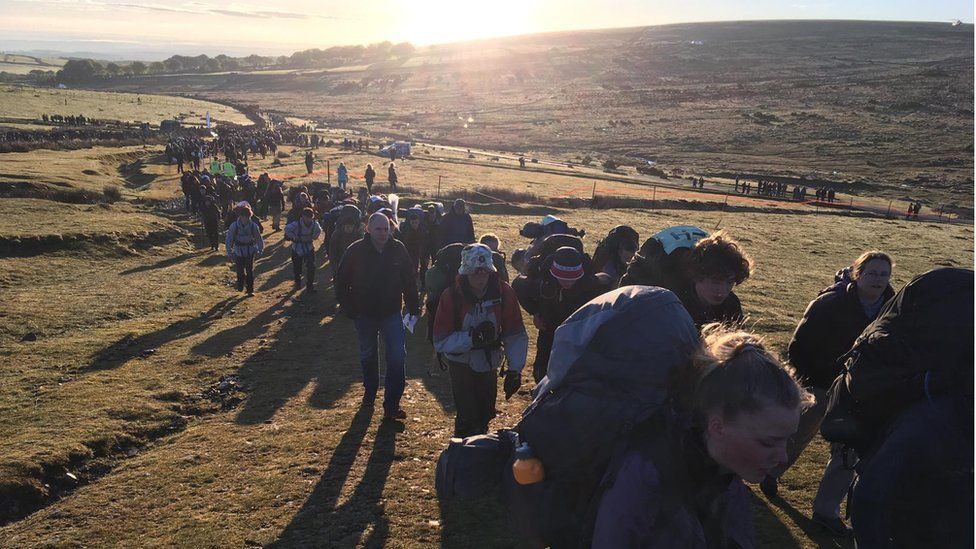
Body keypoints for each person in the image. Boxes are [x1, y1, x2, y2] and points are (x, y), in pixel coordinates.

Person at [592, 325, 813, 548]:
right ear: (717, 426)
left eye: (788, 439)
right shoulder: (646, 477)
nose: (784, 457)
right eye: (768, 442)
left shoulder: (725, 475)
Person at [762, 252, 895, 535]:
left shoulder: (893, 309)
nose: (878, 280)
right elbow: (799, 345)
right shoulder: (830, 303)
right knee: (807, 421)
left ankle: (826, 510)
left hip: (861, 388)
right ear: (857, 274)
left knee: (851, 443)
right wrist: (816, 379)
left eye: (884, 274)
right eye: (871, 273)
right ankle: (771, 470)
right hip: (822, 382)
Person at [433, 244, 528, 437]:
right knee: (467, 414)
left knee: (485, 412)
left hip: (489, 361)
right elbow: (440, 340)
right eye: (474, 273)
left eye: (484, 273)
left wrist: (515, 371)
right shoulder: (451, 296)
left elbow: (514, 333)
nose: (480, 278)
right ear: (465, 272)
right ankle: (462, 448)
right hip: (460, 362)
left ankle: (481, 447)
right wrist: (471, 338)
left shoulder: (503, 293)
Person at [334, 213, 420, 421]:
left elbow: (408, 279)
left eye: (386, 229)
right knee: (368, 355)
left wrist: (413, 306)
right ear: (368, 229)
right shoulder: (355, 251)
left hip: (392, 313)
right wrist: (349, 309)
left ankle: (391, 405)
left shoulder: (398, 249)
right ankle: (370, 392)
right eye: (378, 229)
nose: (383, 233)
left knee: (398, 357)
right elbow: (341, 281)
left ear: (391, 228)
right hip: (364, 314)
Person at [515, 246, 610, 383]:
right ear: (553, 273)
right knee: (543, 369)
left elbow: (606, 281)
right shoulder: (542, 284)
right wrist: (535, 312)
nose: (567, 282)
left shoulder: (591, 285)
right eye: (562, 278)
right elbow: (518, 285)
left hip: (578, 335)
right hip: (549, 331)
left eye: (572, 279)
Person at [673, 231, 751, 328]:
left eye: (729, 282)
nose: (722, 291)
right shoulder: (677, 305)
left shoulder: (731, 303)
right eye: (715, 282)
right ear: (697, 275)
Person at [225, 202, 264, 296]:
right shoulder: (234, 226)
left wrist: (260, 248)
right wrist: (229, 252)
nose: (245, 218)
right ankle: (240, 285)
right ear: (240, 216)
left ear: (249, 216)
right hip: (238, 251)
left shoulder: (254, 226)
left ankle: (250, 290)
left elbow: (258, 238)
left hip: (250, 250)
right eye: (243, 216)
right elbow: (229, 239)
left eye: (247, 216)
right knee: (240, 271)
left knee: (249, 270)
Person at [285, 207, 323, 293]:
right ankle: (297, 283)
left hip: (309, 247)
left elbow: (319, 230)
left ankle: (310, 286)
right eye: (306, 217)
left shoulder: (315, 224)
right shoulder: (296, 224)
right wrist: (293, 236)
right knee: (297, 267)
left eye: (310, 218)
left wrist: (315, 237)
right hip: (297, 247)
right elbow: (287, 228)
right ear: (302, 216)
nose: (308, 220)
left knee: (311, 267)